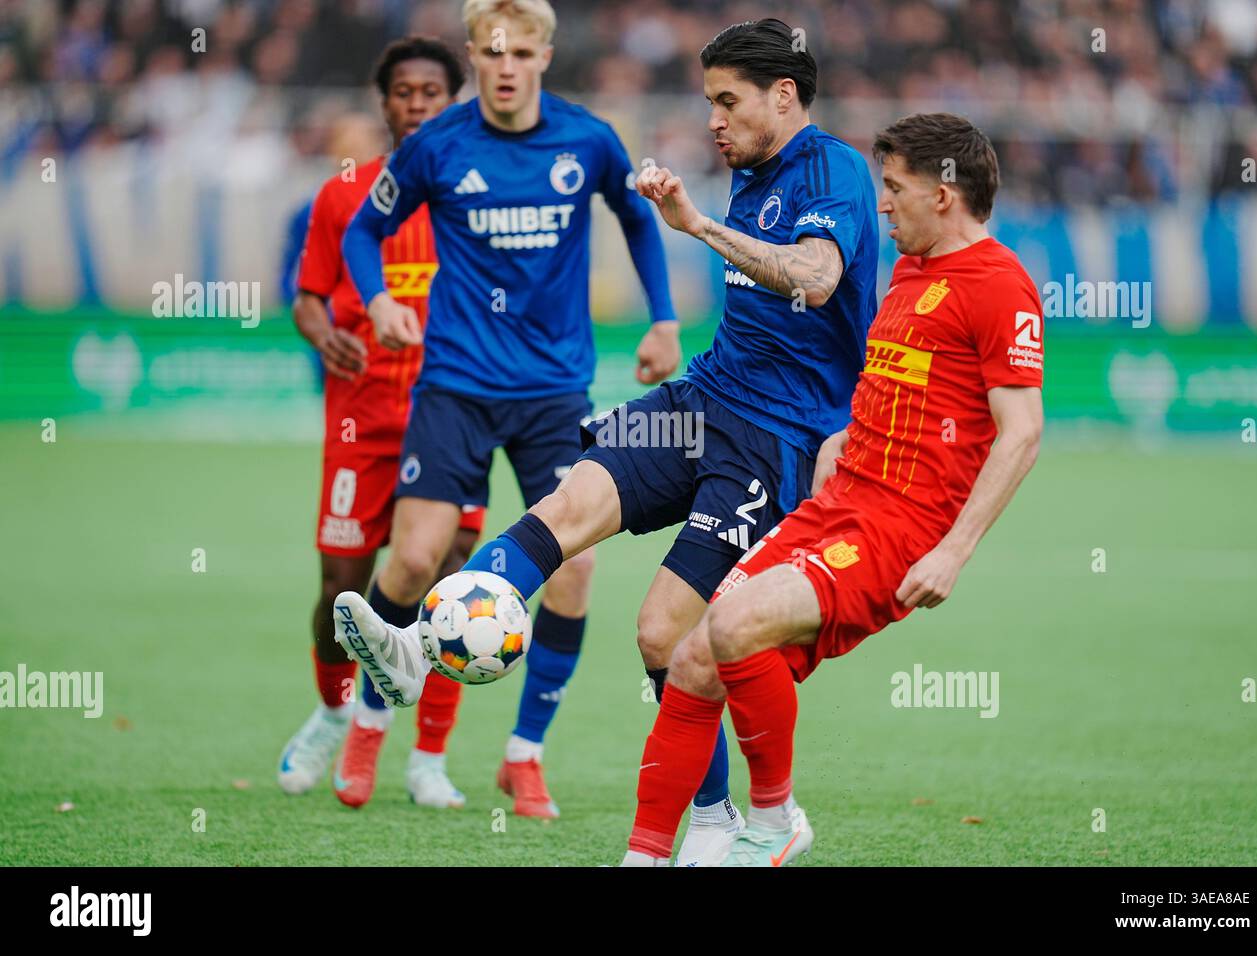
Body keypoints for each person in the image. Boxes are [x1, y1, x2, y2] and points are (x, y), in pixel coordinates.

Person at [333, 18, 879, 866]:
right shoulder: (752, 168)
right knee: (567, 503)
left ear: (784, 95)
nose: (714, 121)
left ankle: (726, 815)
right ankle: (414, 650)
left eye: (727, 103)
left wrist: (693, 225)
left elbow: (815, 277)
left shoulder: (832, 168)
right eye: (709, 103)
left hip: (777, 438)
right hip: (702, 398)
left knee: (664, 634)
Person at [622, 111, 1046, 866]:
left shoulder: (1001, 287)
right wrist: (846, 437)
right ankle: (646, 856)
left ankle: (776, 817)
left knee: (733, 626)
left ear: (943, 195)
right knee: (693, 659)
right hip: (838, 502)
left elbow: (1021, 432)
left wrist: (954, 552)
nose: (881, 204)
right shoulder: (911, 270)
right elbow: (899, 378)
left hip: (900, 530)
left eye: (894, 188)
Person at [337, 0, 681, 820]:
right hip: (455, 382)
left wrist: (664, 317)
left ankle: (523, 755)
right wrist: (379, 299)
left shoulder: (587, 139)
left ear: (545, 56)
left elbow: (637, 216)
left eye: (521, 51)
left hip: (554, 390)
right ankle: (369, 722)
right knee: (417, 558)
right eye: (491, 51)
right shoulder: (436, 146)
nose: (505, 65)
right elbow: (362, 231)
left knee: (577, 565)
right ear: (473, 54)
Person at [277, 37, 484, 810]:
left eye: (433, 91)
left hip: (450, 416)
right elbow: (307, 295)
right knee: (341, 588)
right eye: (405, 91)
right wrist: (320, 330)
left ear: (452, 100)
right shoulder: (343, 196)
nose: (418, 103)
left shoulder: (476, 195)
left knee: (454, 578)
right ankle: (333, 714)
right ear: (385, 101)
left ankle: (427, 756)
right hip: (360, 424)